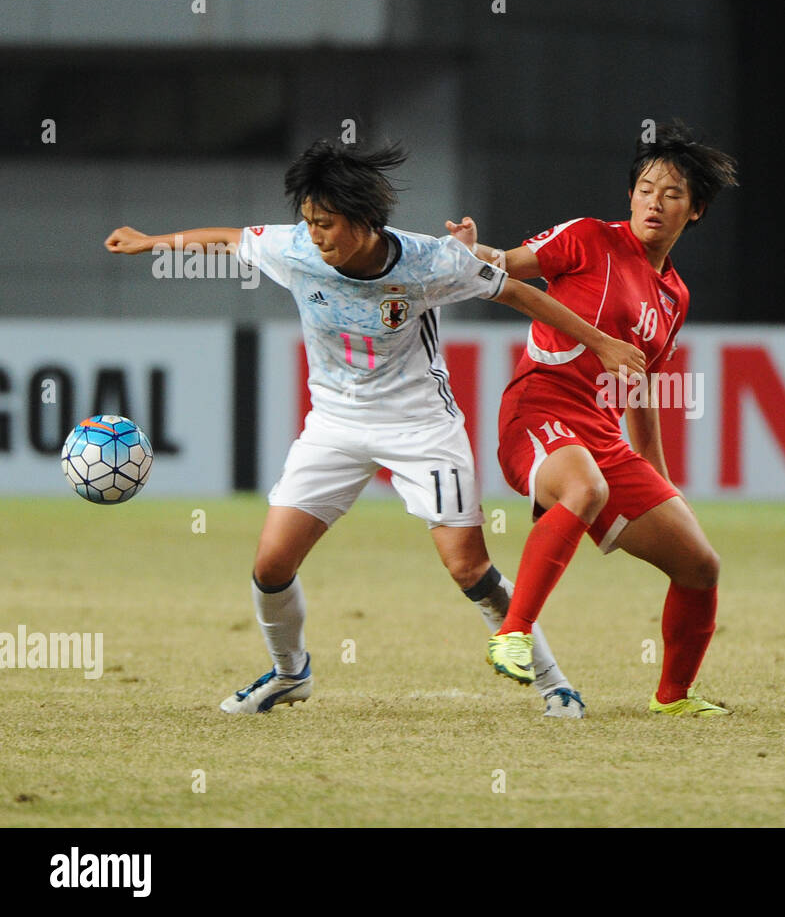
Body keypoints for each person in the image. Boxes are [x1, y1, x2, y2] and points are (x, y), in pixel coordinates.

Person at [104, 140, 646, 718]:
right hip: (333, 425)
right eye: (309, 222)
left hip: (421, 428)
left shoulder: (431, 262)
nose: (315, 235)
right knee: (270, 565)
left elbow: (519, 292)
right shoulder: (294, 248)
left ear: (364, 220)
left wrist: (604, 343)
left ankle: (554, 684)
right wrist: (151, 243)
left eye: (327, 224)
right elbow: (228, 239)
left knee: (469, 568)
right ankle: (290, 674)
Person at [447, 121, 738, 715]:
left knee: (700, 566)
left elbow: (642, 386)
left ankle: (674, 697)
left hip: (602, 437)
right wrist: (470, 248)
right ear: (630, 194)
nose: (655, 202)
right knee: (582, 486)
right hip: (539, 410)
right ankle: (514, 633)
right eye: (646, 188)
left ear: (697, 210)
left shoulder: (674, 297)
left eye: (673, 193)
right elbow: (506, 264)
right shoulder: (587, 237)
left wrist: (657, 473)